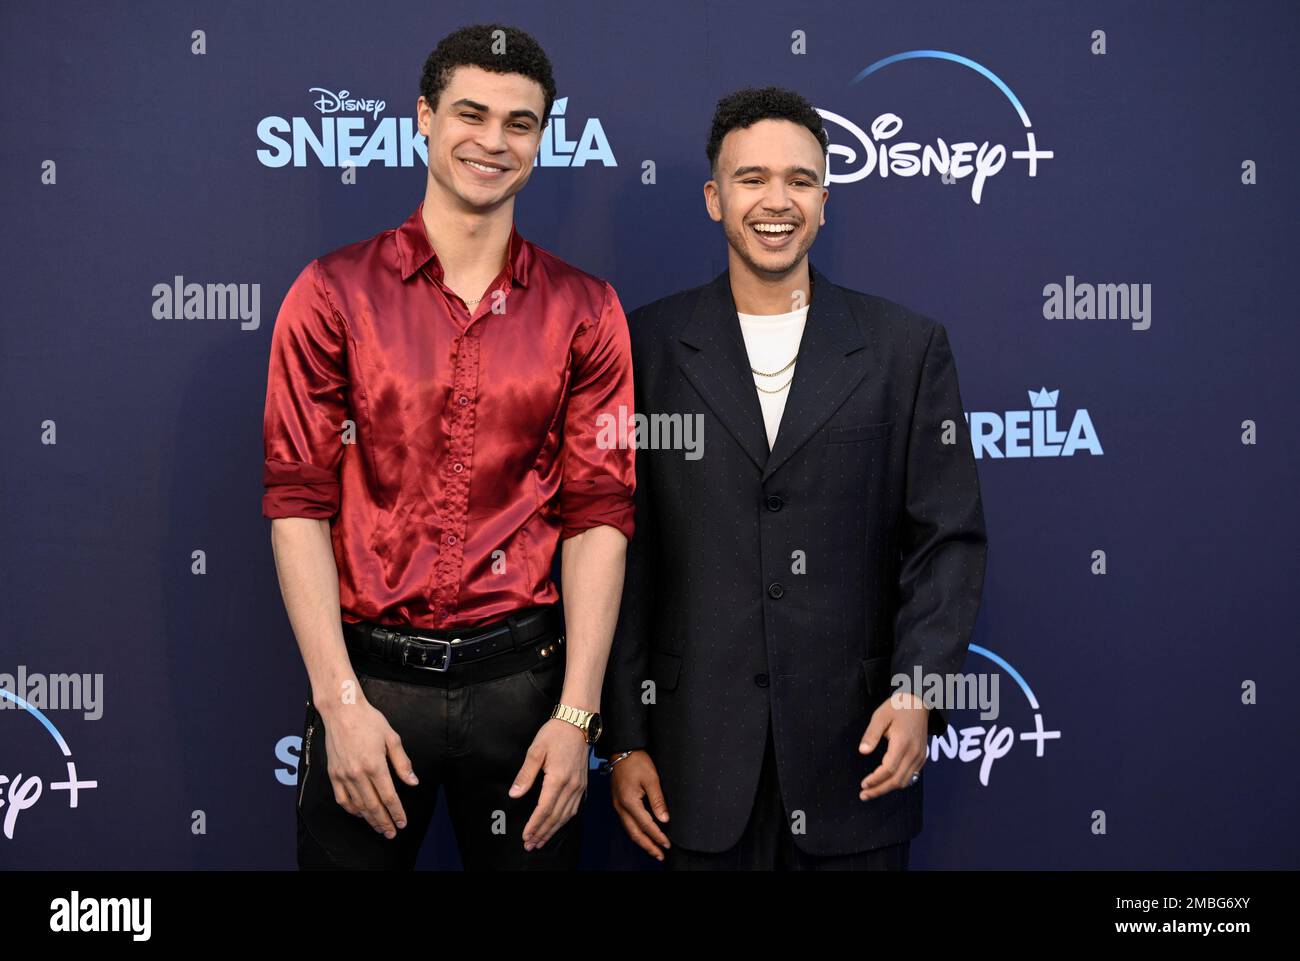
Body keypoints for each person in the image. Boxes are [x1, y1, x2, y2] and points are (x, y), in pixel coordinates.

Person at [262, 23, 634, 870]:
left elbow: (600, 516)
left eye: (520, 122)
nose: (493, 141)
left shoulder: (587, 309)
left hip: (525, 689)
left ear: (543, 138)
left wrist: (577, 716)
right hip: (369, 687)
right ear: (423, 118)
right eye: (471, 113)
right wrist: (338, 703)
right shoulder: (329, 295)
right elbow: (296, 505)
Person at [602, 87, 987, 870]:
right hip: (689, 767)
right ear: (715, 198)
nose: (776, 201)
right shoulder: (642, 345)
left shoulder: (904, 349)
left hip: (857, 759)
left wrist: (919, 690)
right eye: (751, 179)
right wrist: (624, 738)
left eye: (800, 180)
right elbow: (620, 551)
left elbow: (945, 541)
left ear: (824, 200)